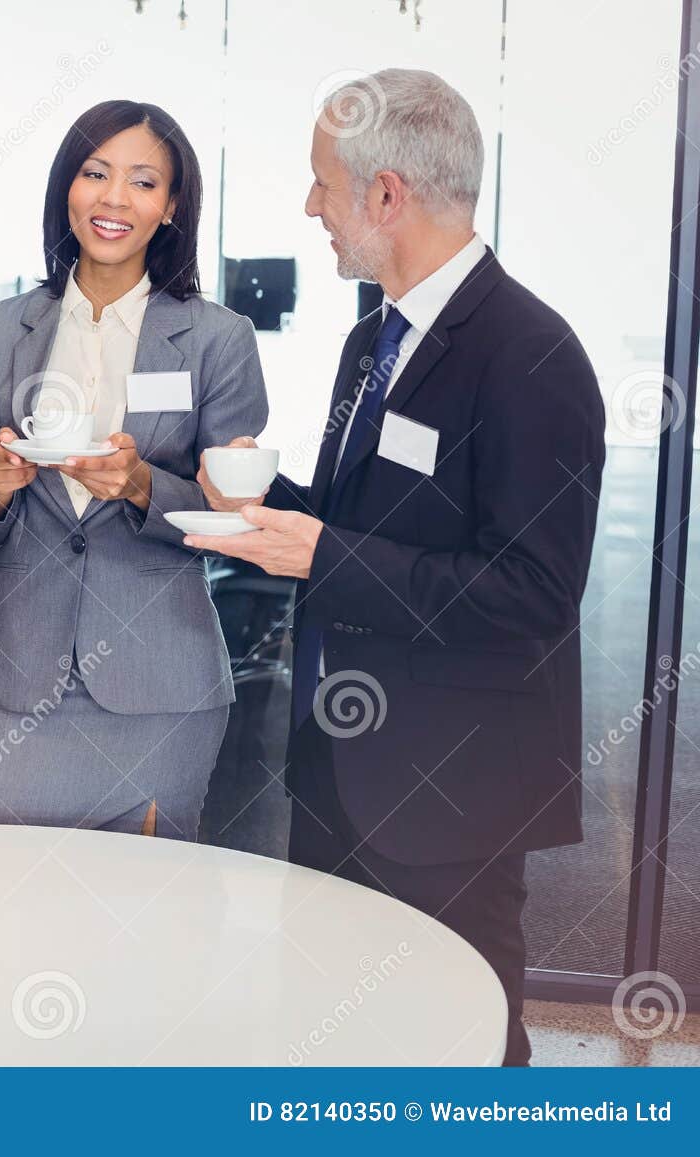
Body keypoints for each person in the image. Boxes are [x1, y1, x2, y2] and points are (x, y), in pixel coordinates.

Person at [188, 69, 605, 1066]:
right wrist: (269, 504)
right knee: (338, 1035)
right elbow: (360, 527)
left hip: (450, 789)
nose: (310, 208)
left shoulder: (532, 355)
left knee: (461, 1045)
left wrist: (322, 551)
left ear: (385, 194)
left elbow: (533, 596)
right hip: (337, 761)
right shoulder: (371, 339)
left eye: (322, 184)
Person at [0, 100, 267, 840]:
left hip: (161, 676)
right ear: (67, 186)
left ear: (172, 206)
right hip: (19, 668)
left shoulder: (218, 339)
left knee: (146, 900)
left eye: (144, 182)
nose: (115, 199)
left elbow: (239, 521)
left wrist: (141, 486)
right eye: (96, 174)